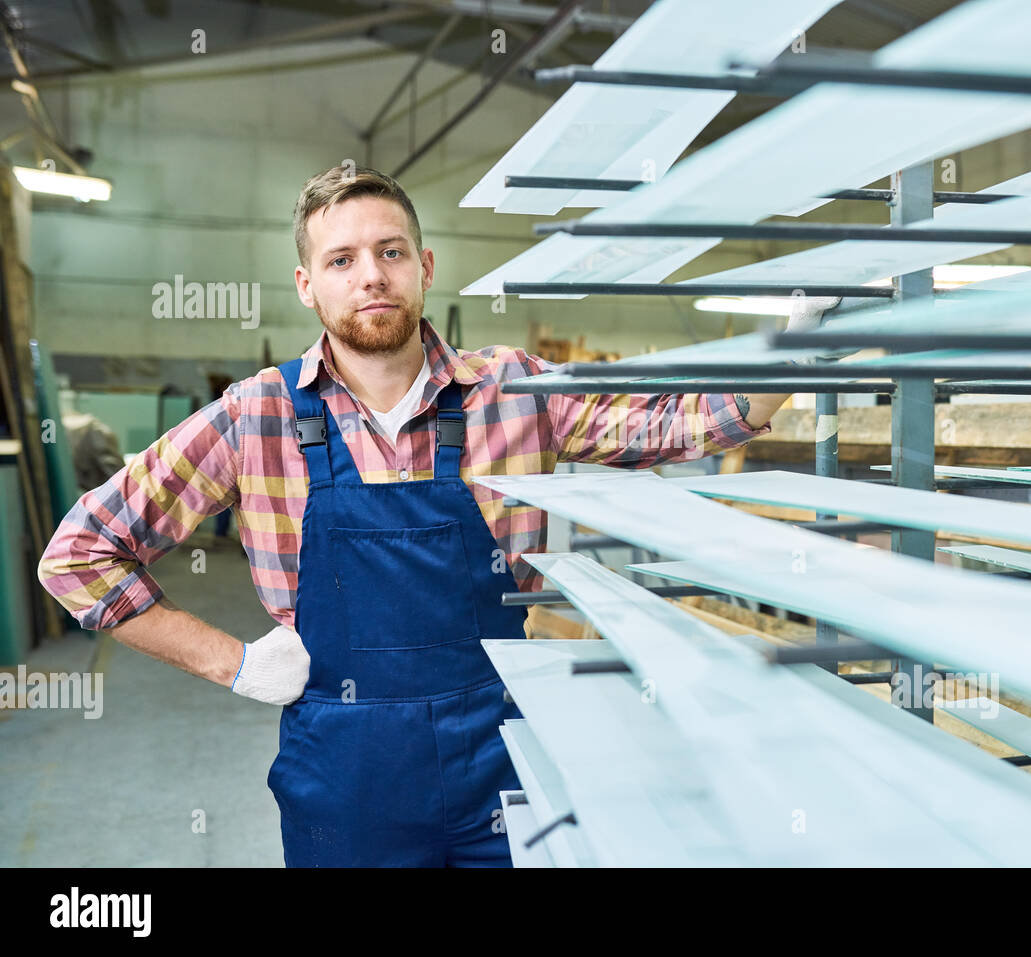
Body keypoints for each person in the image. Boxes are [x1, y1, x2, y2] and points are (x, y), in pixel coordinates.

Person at [37, 165, 832, 867]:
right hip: (346, 778)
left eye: (389, 252)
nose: (370, 275)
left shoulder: (512, 390)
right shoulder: (258, 414)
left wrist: (793, 353)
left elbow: (679, 424)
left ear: (424, 266)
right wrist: (233, 662)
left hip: (506, 751)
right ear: (308, 285)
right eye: (341, 260)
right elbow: (78, 555)